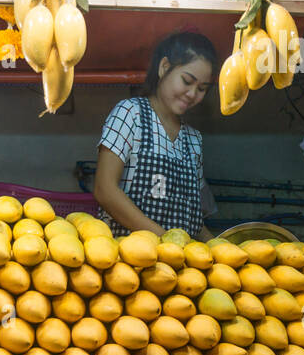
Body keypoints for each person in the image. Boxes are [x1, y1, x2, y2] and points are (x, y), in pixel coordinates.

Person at [93, 31, 218, 239]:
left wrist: (219, 249)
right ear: (164, 67)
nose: (192, 94)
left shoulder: (193, 141)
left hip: (176, 265)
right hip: (125, 261)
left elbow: (194, 221)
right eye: (187, 81)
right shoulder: (130, 114)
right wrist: (164, 240)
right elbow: (104, 189)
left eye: (202, 88)